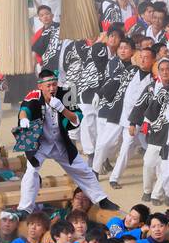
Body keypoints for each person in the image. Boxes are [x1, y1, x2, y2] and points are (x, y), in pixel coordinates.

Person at [16, 70, 117, 212]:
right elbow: (24, 108)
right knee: (31, 172)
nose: (52, 88)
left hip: (60, 142)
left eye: (54, 84)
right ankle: (25, 209)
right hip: (40, 143)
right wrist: (24, 119)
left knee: (83, 170)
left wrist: (62, 109)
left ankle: (101, 199)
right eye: (48, 85)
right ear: (40, 86)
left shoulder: (66, 94)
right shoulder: (33, 95)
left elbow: (76, 120)